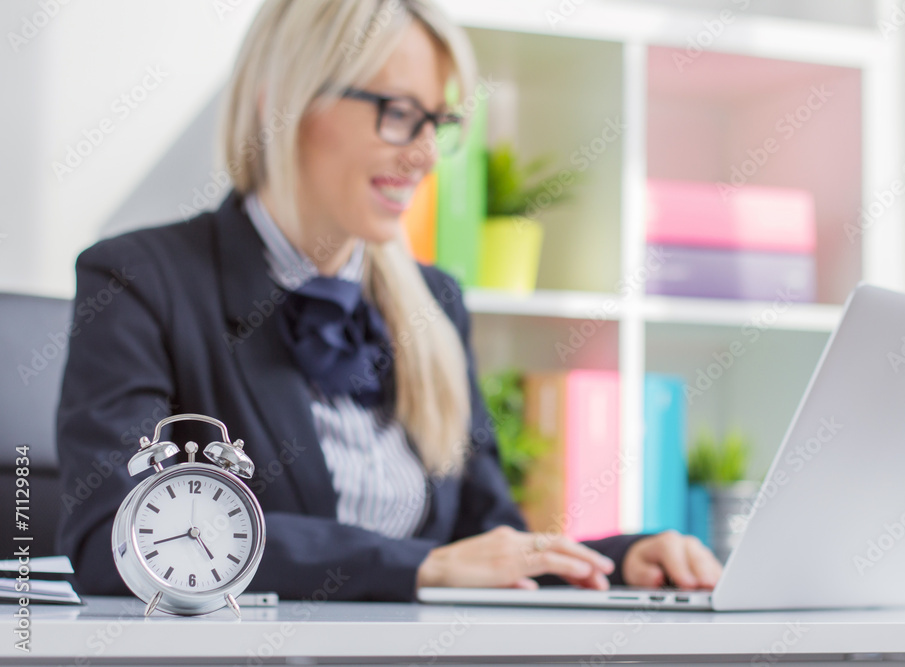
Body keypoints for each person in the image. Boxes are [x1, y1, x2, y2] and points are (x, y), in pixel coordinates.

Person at [55, 0, 721, 601]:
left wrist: (619, 559)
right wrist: (414, 567)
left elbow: (487, 540)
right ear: (279, 103)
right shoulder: (139, 280)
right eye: (400, 114)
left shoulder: (433, 301)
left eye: (439, 121)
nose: (427, 154)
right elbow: (115, 534)